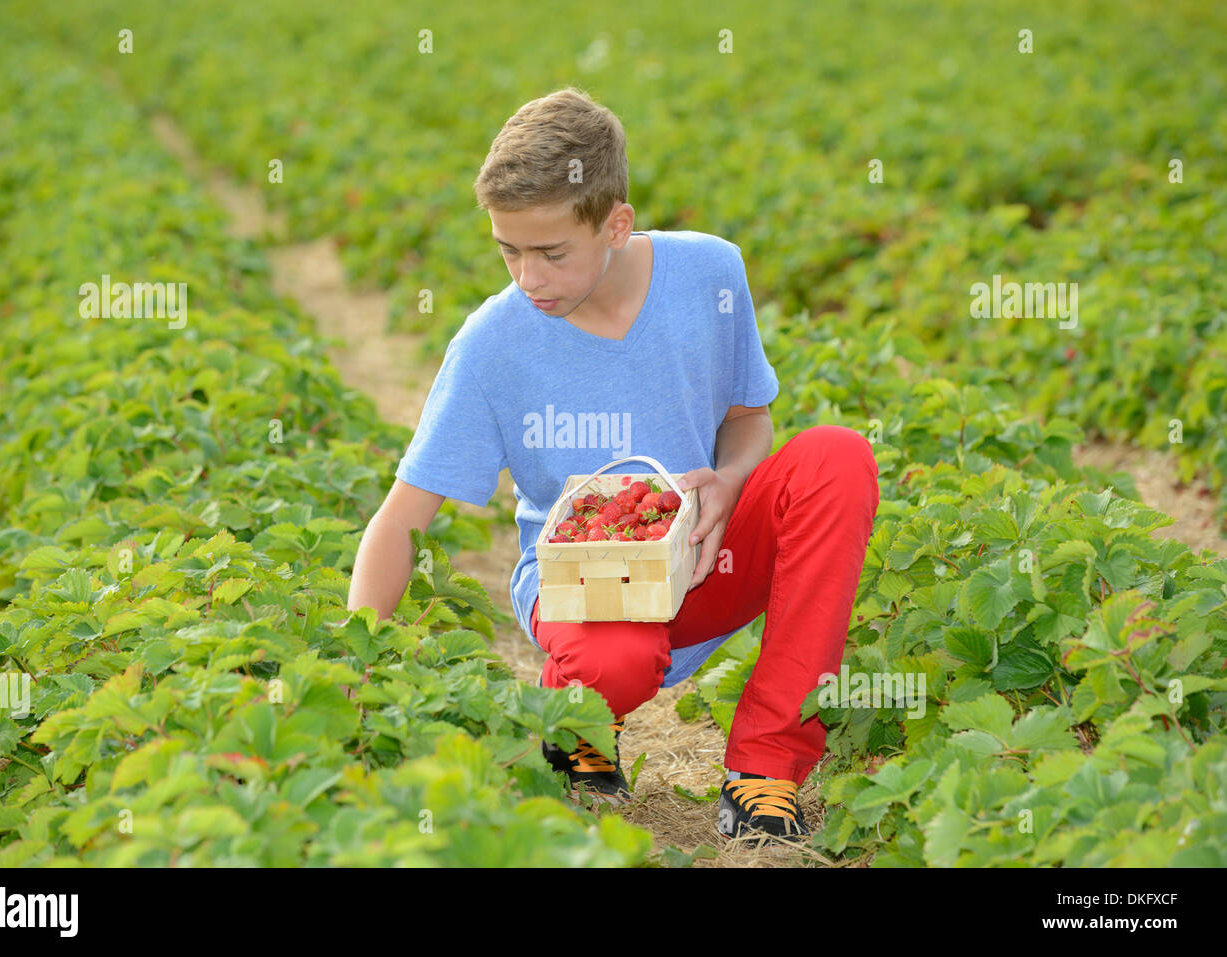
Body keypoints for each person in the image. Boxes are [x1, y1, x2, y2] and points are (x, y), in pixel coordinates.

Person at [347, 86, 880, 842]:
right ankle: (579, 732)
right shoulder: (491, 344)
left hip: (699, 556)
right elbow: (402, 519)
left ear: (617, 224)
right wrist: (351, 660)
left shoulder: (710, 276)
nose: (527, 277)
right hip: (581, 586)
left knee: (838, 457)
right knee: (613, 664)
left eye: (551, 253)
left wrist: (728, 483)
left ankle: (766, 767)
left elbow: (748, 421)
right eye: (508, 250)